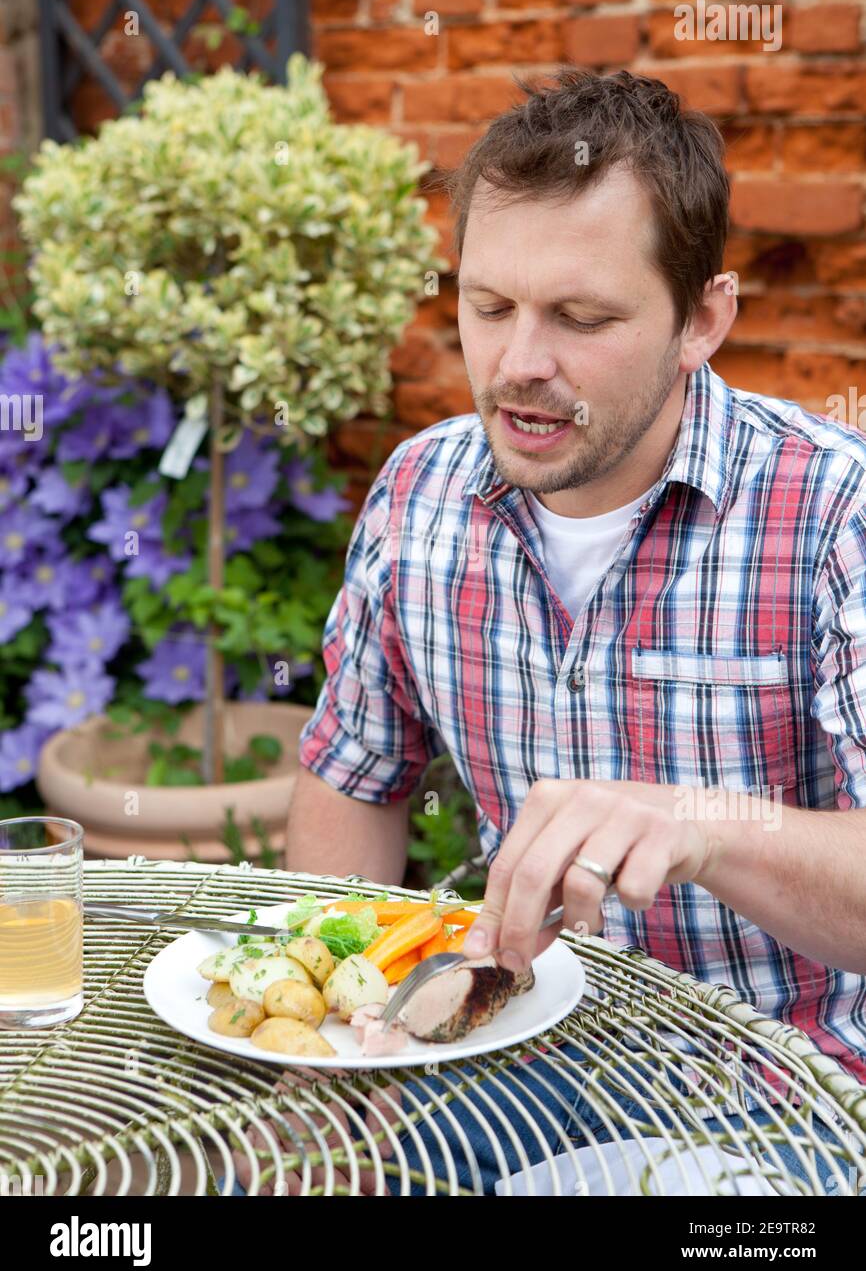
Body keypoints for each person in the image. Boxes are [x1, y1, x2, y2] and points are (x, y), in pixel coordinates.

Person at [239, 67, 866, 1195]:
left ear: (702, 319)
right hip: (504, 1056)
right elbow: (355, 776)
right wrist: (339, 1047)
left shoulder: (831, 511)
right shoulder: (417, 494)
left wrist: (700, 824)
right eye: (487, 306)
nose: (518, 362)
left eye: (580, 318)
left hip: (790, 1091)